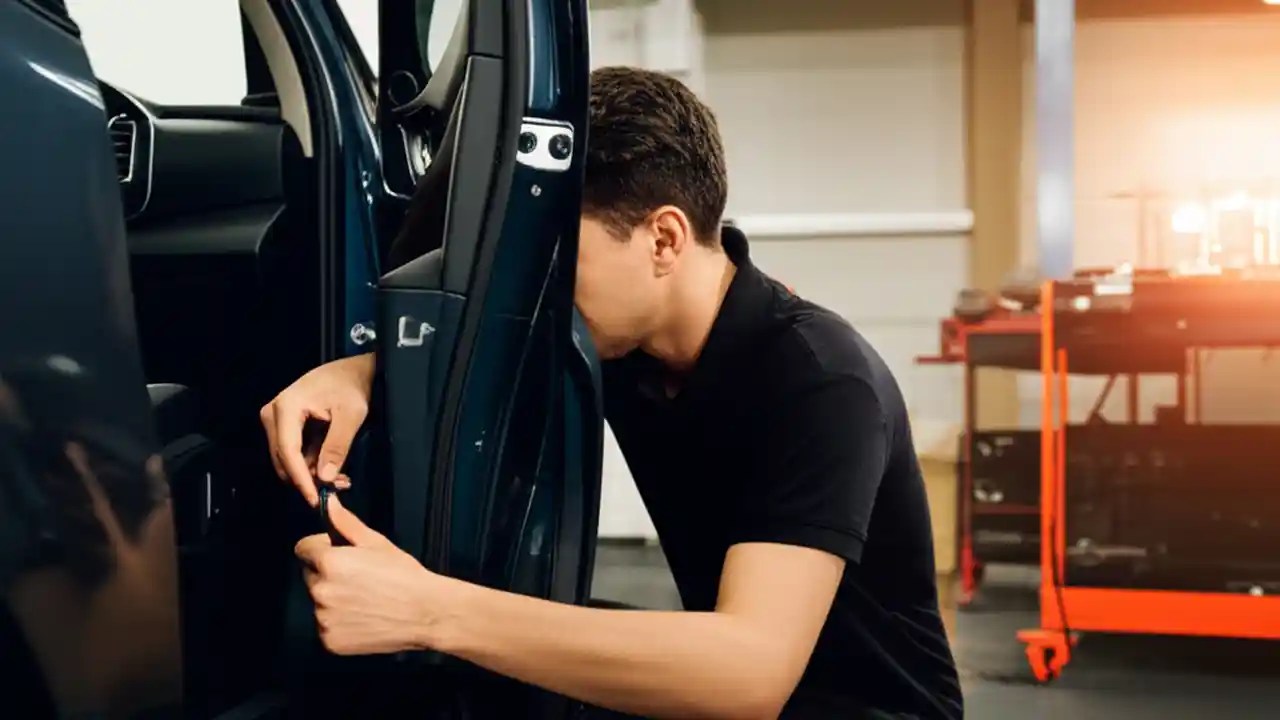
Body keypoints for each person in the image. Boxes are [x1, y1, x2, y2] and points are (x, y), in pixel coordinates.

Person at [261, 66, 962, 719]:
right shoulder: (624, 343)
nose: (545, 288)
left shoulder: (820, 380)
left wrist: (427, 611)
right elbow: (502, 337)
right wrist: (362, 370)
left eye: (565, 260)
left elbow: (749, 671)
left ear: (663, 238)